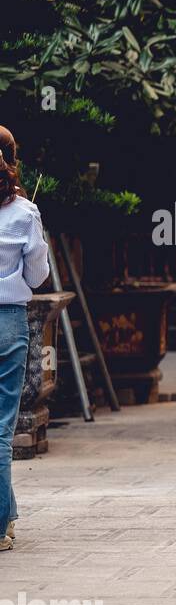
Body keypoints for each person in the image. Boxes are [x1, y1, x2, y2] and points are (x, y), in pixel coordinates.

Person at [0, 125, 51, 551]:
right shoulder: (24, 213)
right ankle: (0, 525)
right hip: (9, 324)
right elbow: (38, 276)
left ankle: (6, 514)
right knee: (1, 430)